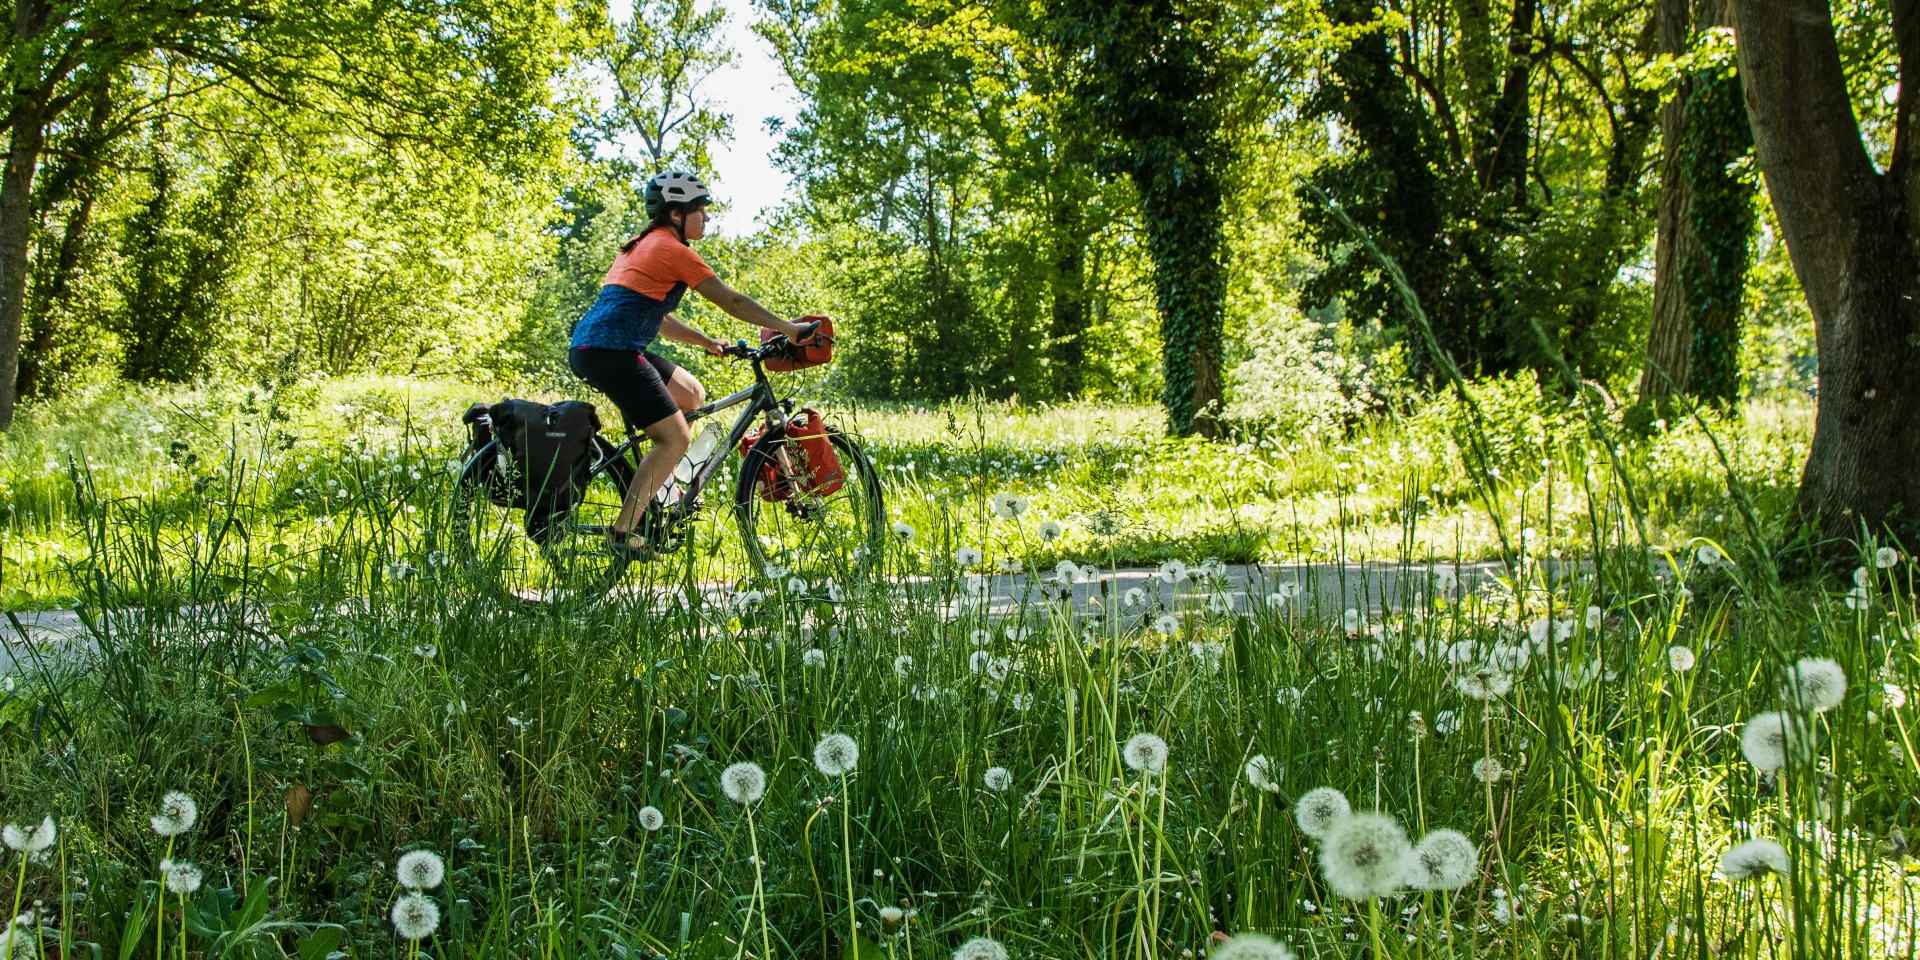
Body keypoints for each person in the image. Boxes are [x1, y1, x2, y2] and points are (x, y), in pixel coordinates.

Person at [569, 170, 819, 555]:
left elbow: (659, 317)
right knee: (675, 437)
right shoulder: (672, 250)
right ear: (675, 214)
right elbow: (732, 301)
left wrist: (703, 341)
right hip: (611, 352)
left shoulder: (641, 245)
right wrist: (788, 329)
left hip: (600, 347)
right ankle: (623, 533)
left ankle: (664, 487)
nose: (706, 217)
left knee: (691, 393)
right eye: (700, 210)